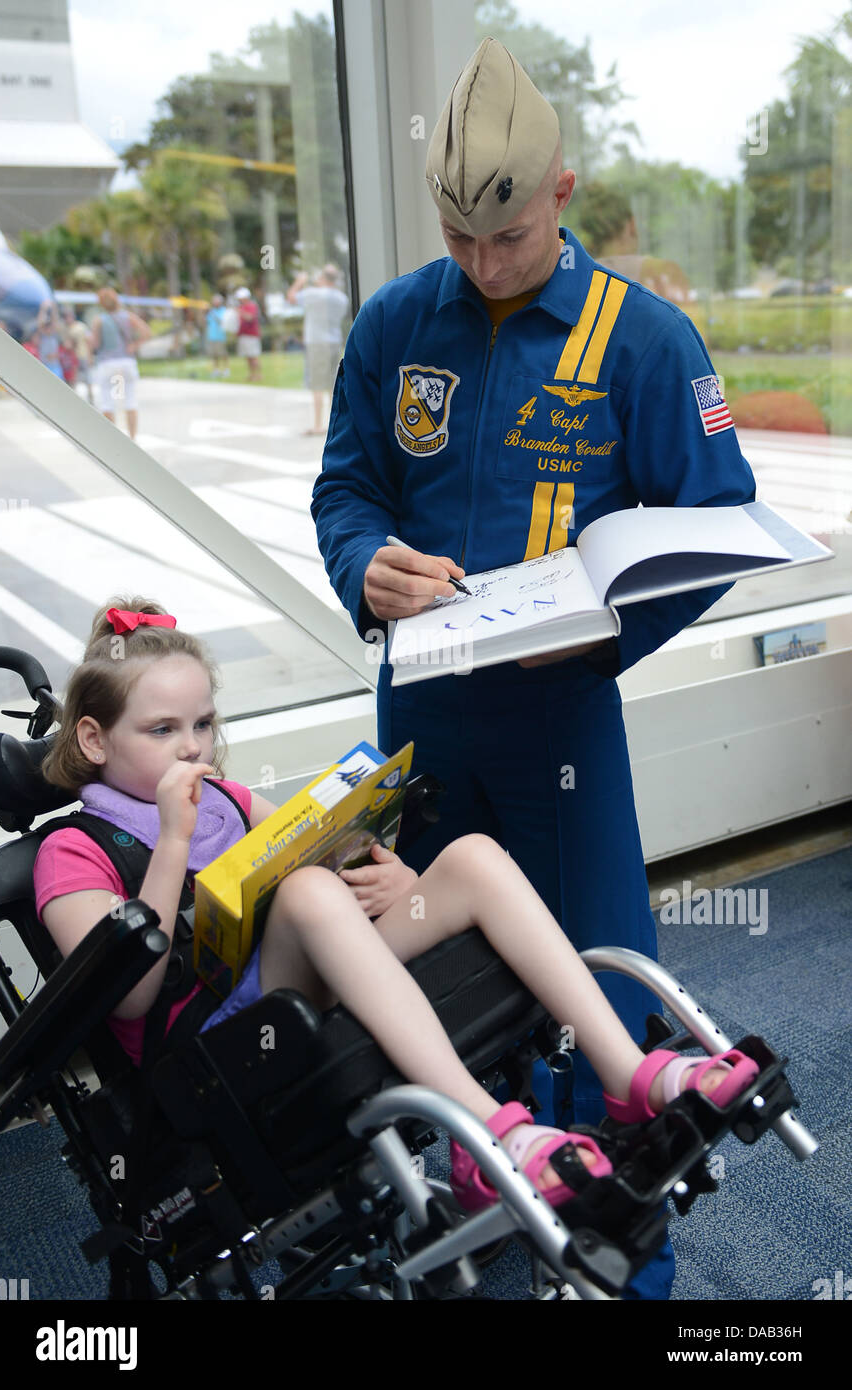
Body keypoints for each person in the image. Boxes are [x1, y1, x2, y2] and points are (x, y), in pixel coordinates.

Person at [310, 36, 757, 1286]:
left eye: (501, 239)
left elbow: (713, 523)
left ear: (559, 194)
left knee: (597, 994)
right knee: (426, 975)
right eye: (455, 237)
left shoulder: (646, 342)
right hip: (421, 720)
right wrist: (363, 567)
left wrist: (601, 639)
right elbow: (346, 488)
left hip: (559, 726)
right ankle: (468, 1190)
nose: (477, 264)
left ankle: (632, 1260)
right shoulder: (398, 321)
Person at [32, 598, 757, 1212]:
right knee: (309, 891)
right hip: (216, 1041)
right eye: (163, 731)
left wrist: (398, 880)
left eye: (202, 725)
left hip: (301, 974)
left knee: (468, 856)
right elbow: (129, 1002)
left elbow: (317, 849)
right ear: (94, 738)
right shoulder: (71, 851)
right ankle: (496, 1128)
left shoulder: (226, 797)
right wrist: (171, 843)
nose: (194, 750)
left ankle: (628, 1074)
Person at [286, 265, 349, 435]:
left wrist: (299, 282)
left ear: (323, 278)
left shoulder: (313, 294)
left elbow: (291, 298)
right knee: (332, 384)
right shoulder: (342, 298)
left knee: (317, 384)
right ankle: (334, 423)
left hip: (316, 343)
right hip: (334, 342)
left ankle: (317, 425)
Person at [89, 287, 151, 441]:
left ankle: (113, 440)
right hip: (127, 362)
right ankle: (133, 437)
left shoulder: (99, 320)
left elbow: (95, 344)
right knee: (130, 400)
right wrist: (134, 345)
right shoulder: (128, 317)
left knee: (107, 402)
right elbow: (146, 332)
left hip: (107, 363)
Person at [234, 287, 262, 384]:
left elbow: (250, 318)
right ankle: (251, 374)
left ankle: (258, 374)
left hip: (251, 335)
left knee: (254, 356)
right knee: (248, 357)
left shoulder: (251, 306)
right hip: (243, 334)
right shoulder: (240, 307)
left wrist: (240, 312)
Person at [205, 293, 229, 378]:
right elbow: (206, 322)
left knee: (223, 354)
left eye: (216, 301)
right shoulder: (211, 311)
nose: (214, 303)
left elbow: (221, 322)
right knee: (214, 355)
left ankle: (226, 370)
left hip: (221, 336)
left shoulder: (224, 311)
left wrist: (211, 313)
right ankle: (216, 370)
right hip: (212, 336)